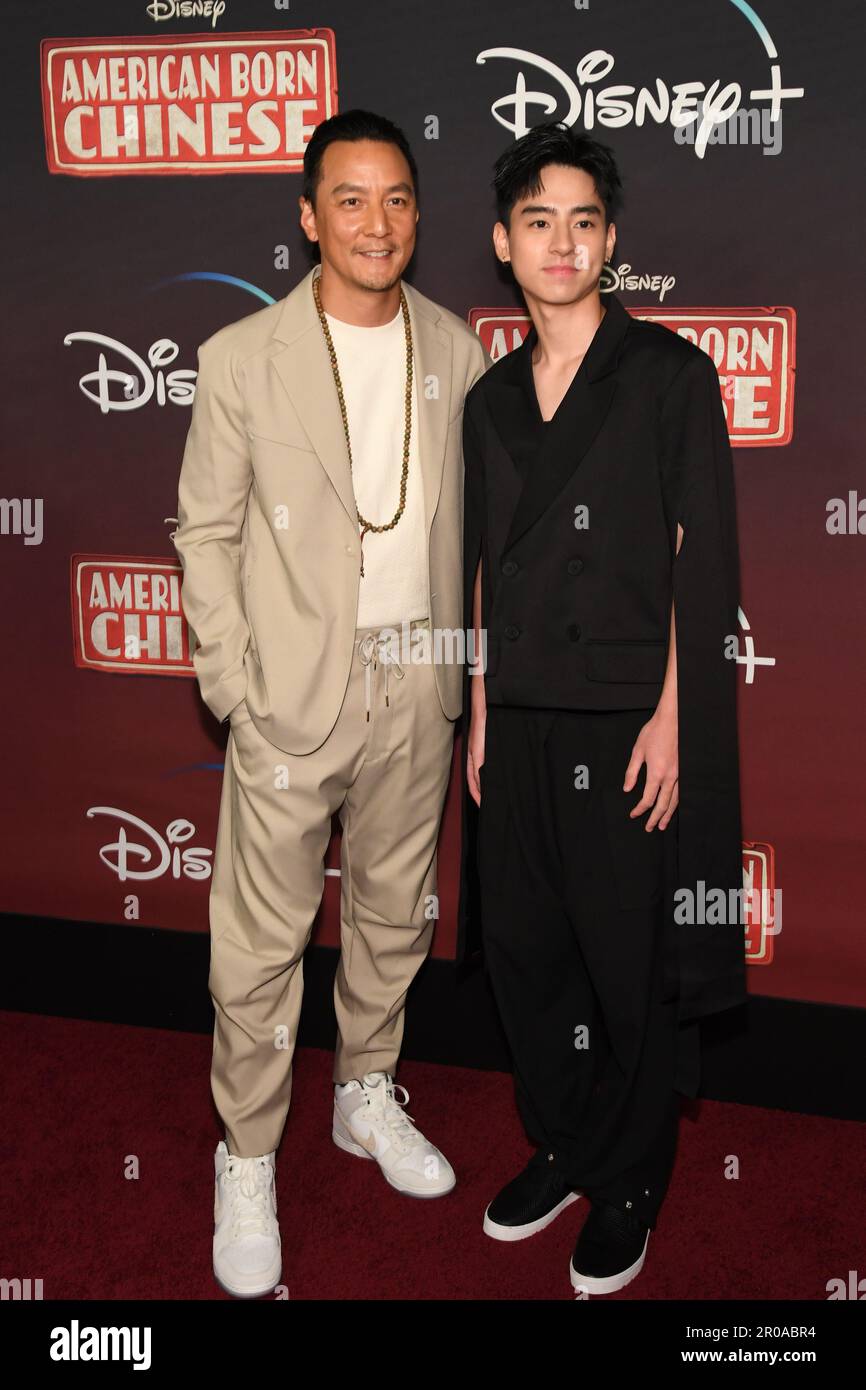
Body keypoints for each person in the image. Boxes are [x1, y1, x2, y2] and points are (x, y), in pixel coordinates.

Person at [174, 108, 490, 1298]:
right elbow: (203, 529)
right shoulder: (238, 358)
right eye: (349, 199)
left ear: (418, 213)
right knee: (257, 949)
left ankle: (365, 1092)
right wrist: (233, 685)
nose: (376, 221)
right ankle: (245, 1153)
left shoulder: (455, 350)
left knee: (395, 911)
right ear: (308, 219)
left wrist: (463, 673)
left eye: (397, 198)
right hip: (291, 696)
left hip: (421, 681)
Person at [459, 122, 746, 1296]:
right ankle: (565, 1140)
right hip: (517, 716)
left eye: (582, 220)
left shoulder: (667, 375)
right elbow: (483, 561)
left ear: (609, 239)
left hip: (627, 714)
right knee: (527, 953)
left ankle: (627, 1176)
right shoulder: (486, 399)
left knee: (624, 962)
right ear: (502, 243)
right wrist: (477, 704)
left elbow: (700, 561)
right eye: (537, 220)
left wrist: (675, 711)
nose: (560, 240)